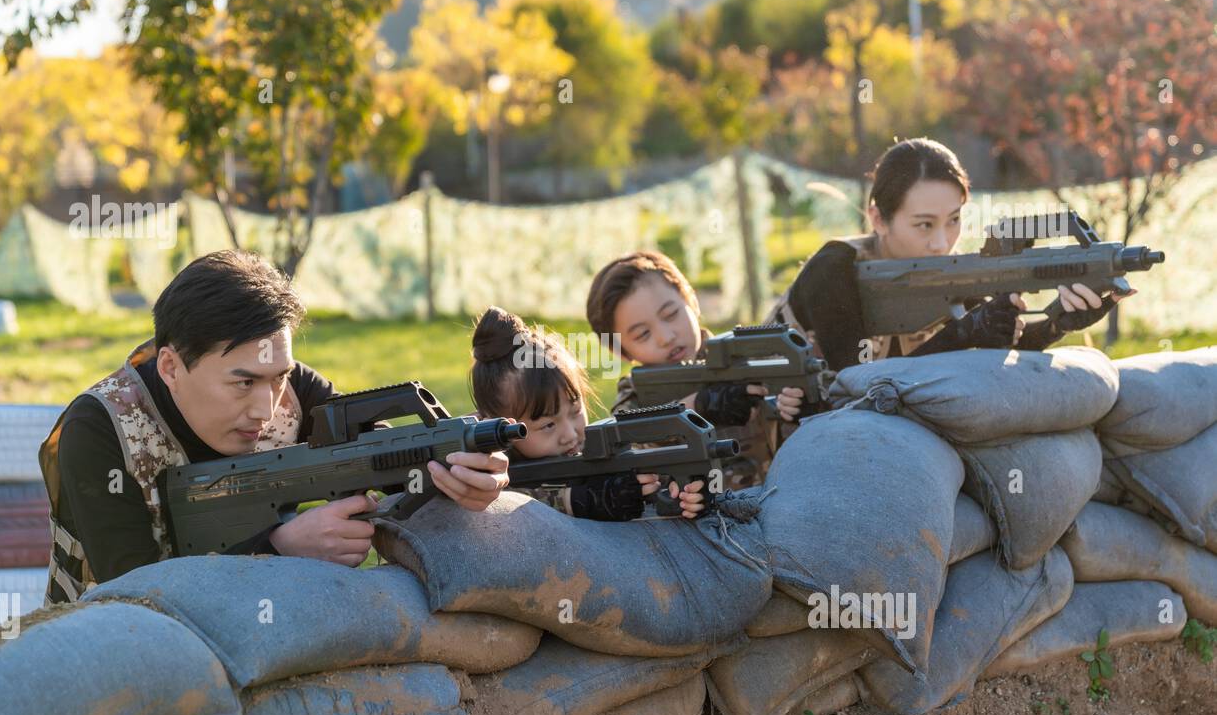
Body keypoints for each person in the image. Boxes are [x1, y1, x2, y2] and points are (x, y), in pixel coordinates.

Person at [38, 250, 510, 604]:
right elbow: (133, 592)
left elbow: (386, 453)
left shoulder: (290, 388)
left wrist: (463, 472)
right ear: (170, 368)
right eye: (242, 383)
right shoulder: (100, 429)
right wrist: (277, 549)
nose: (267, 408)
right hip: (105, 655)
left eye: (278, 377)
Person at [765, 137, 1131, 372]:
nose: (942, 243)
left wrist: (1057, 322)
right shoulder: (835, 271)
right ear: (878, 218)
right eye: (924, 225)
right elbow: (857, 386)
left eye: (953, 220)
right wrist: (961, 336)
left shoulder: (951, 273)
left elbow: (1007, 344)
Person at [586, 250, 803, 490]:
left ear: (691, 301)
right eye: (643, 334)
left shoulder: (744, 359)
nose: (666, 337)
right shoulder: (635, 393)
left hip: (777, 494)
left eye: (671, 314)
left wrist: (792, 405)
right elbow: (626, 449)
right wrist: (696, 407)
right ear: (620, 351)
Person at [470, 306, 705, 521]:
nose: (570, 434)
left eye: (575, 411)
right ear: (501, 428)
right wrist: (579, 500)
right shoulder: (483, 471)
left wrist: (682, 494)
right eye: (548, 425)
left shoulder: (596, 450)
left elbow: (649, 472)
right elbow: (502, 505)